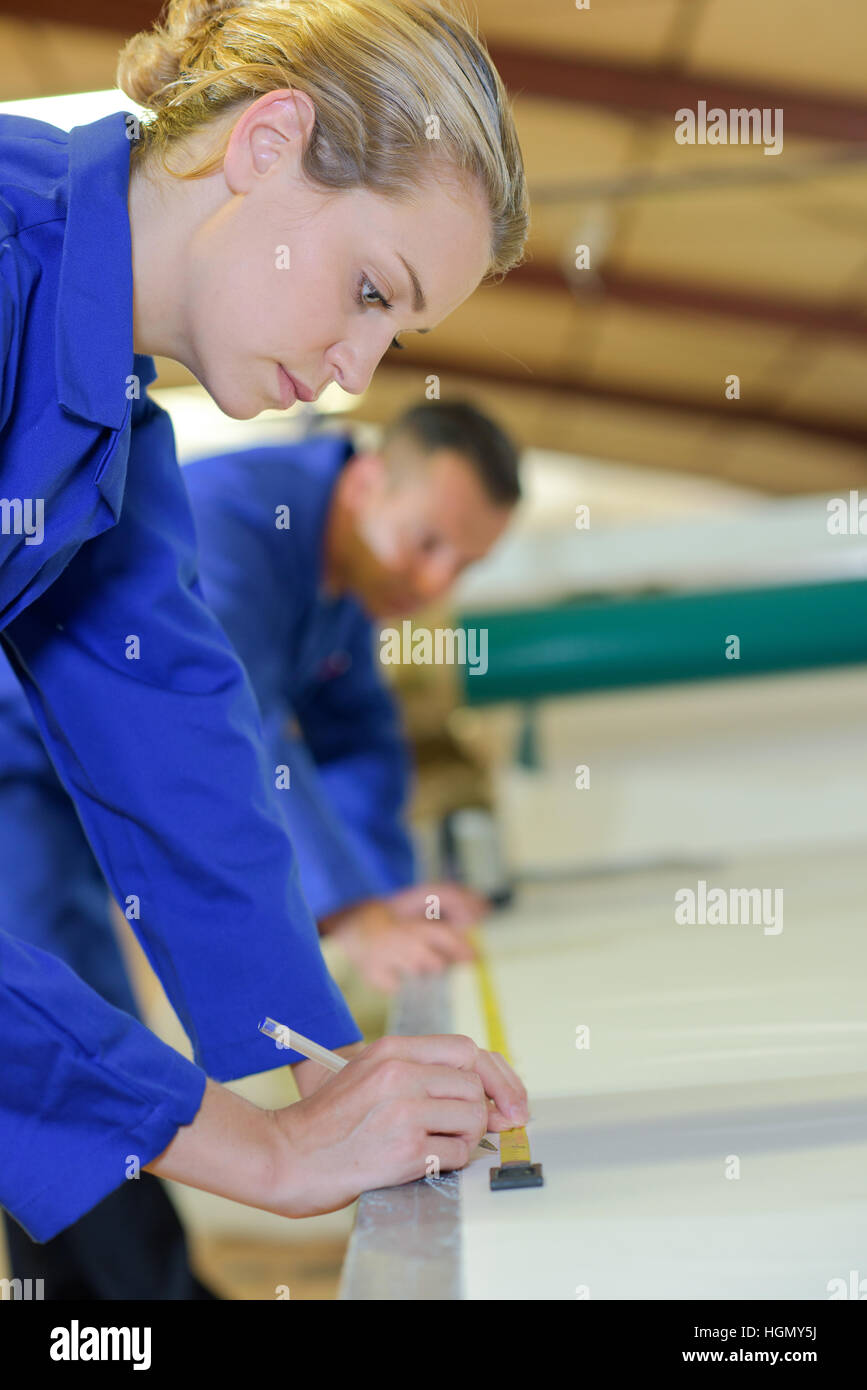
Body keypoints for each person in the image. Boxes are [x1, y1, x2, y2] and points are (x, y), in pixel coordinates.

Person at [0, 0, 529, 1275]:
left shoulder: (103, 412)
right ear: (267, 139)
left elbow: (175, 723)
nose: (354, 372)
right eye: (365, 291)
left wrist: (320, 1063)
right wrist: (261, 1150)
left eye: (391, 334)